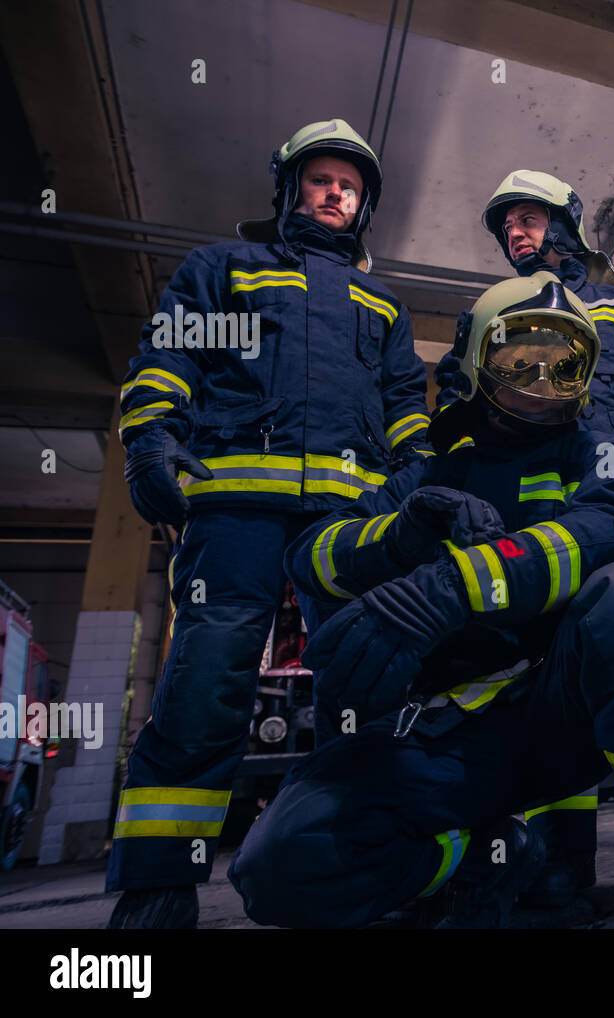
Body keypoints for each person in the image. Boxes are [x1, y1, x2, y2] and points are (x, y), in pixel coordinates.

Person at [227, 273, 614, 929]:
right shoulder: (426, 474)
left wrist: (455, 586)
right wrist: (397, 538)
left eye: (566, 363)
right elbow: (312, 556)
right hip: (443, 741)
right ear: (473, 362)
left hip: (563, 716)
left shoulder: (608, 455)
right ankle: (476, 859)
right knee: (277, 868)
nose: (543, 378)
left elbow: (609, 531)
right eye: (520, 357)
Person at [109, 119, 433, 928]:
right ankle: (157, 889)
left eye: (349, 186)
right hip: (234, 512)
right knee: (202, 685)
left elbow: (403, 412)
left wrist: (416, 482)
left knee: (367, 683)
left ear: (364, 206)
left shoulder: (380, 302)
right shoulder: (226, 269)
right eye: (321, 180)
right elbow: (168, 358)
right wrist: (150, 437)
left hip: (346, 525)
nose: (335, 194)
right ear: (290, 188)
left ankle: (370, 860)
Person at [429, 170, 614, 906]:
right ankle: (561, 866)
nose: (517, 232)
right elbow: (460, 407)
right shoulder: (492, 312)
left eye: (529, 218)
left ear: (567, 221)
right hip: (537, 508)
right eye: (507, 225)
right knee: (543, 666)